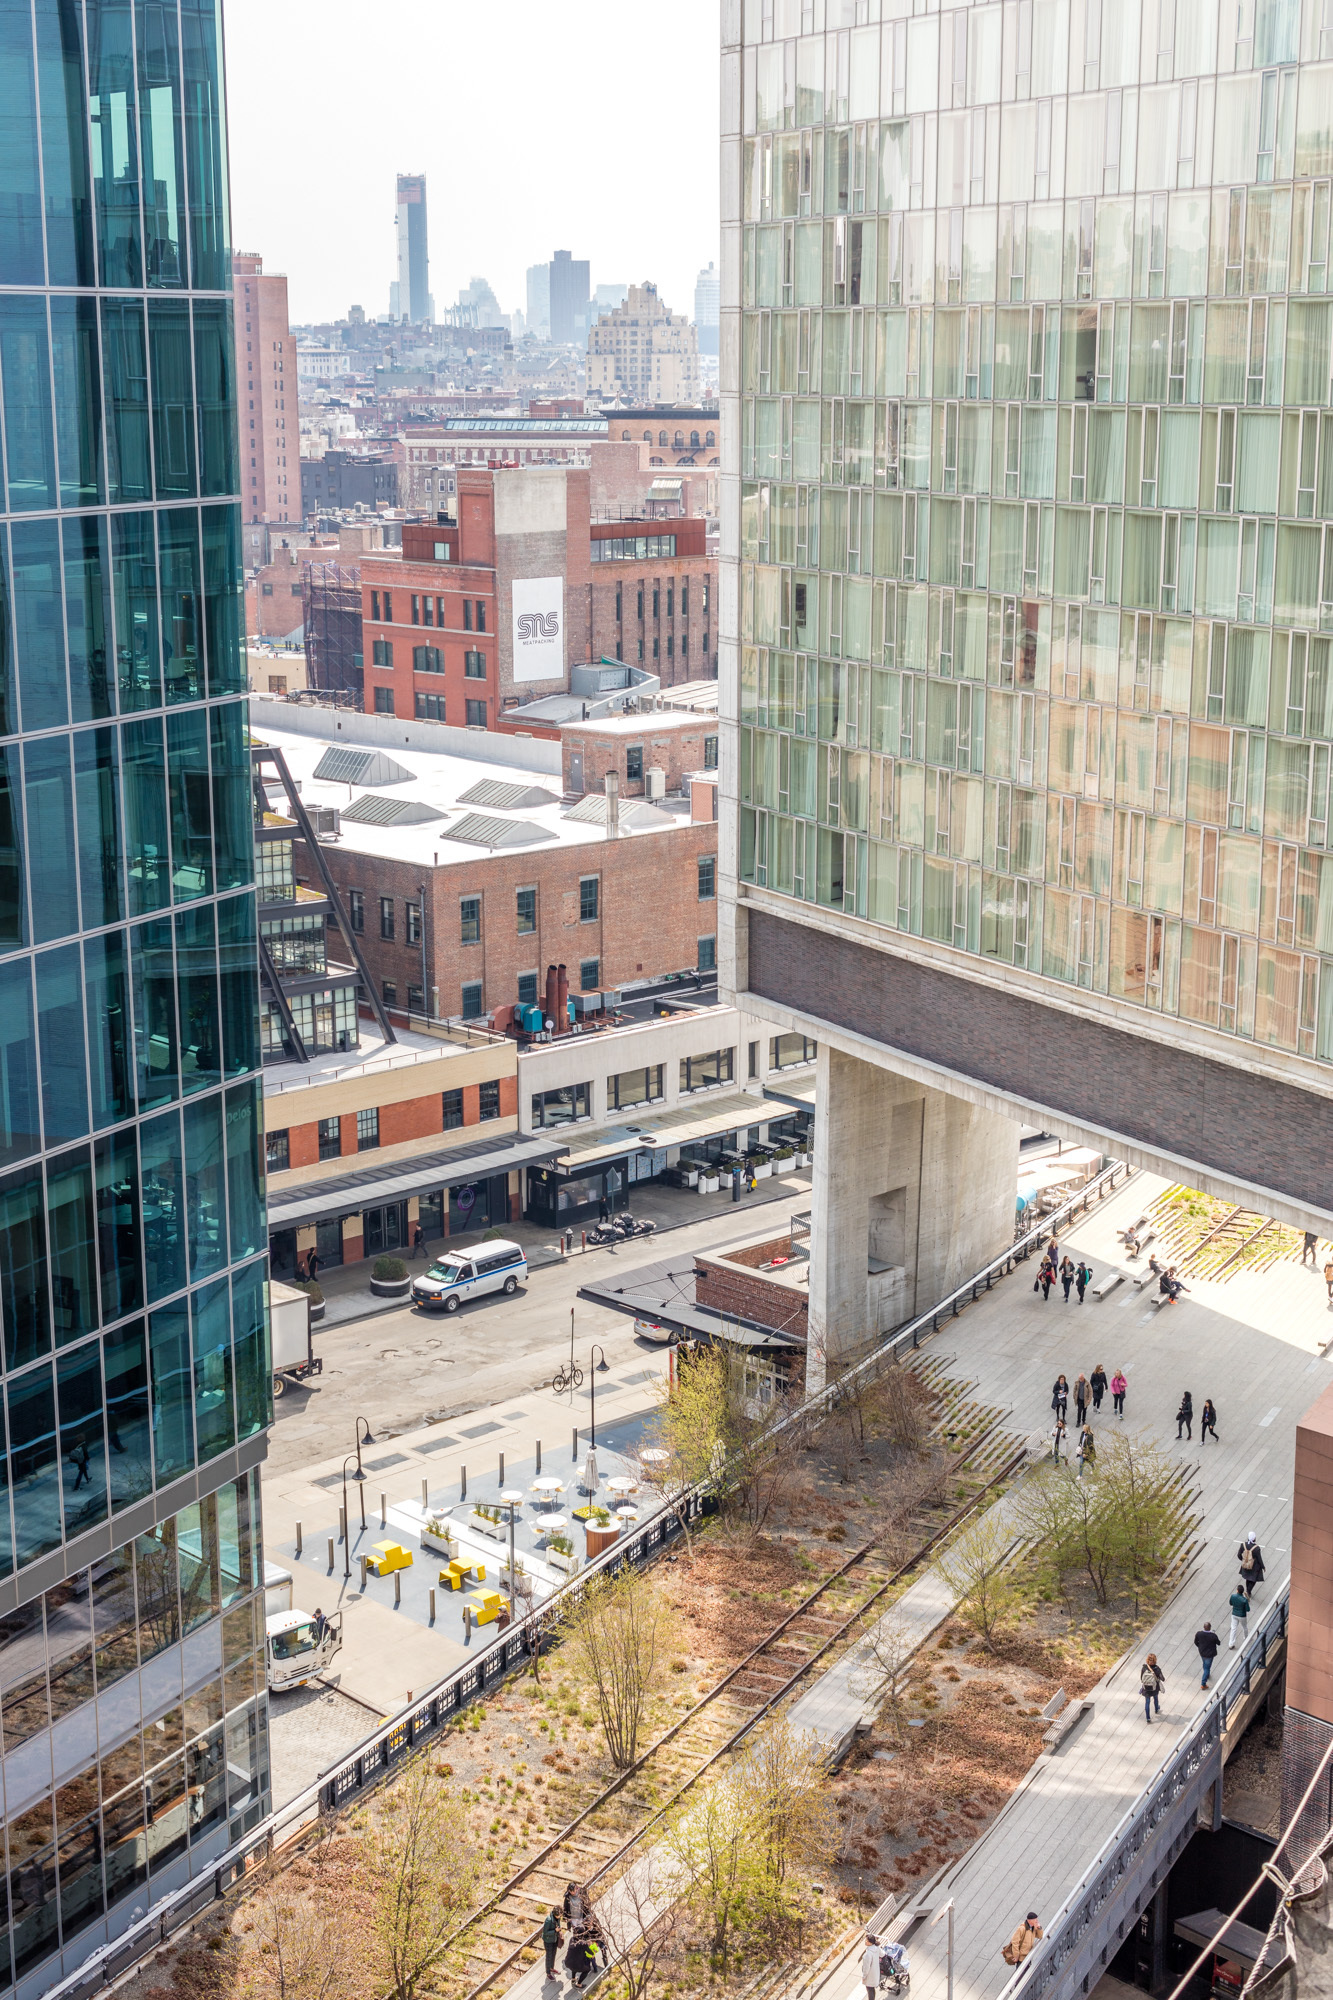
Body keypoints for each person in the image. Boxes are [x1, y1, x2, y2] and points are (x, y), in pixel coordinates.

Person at [1237, 1533, 1265, 1600]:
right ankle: (1248, 1591)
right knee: (1253, 1579)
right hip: (1254, 1566)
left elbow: (1238, 1555)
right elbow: (1259, 1558)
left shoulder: (1243, 1545)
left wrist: (1244, 1560)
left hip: (1246, 1565)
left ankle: (1248, 1591)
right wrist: (1263, 1566)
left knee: (1247, 1578)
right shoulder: (1256, 1548)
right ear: (1254, 1538)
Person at [1195, 1620, 1221, 1689]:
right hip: (1210, 1654)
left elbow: (1195, 1642)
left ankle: (1207, 1674)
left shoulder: (1199, 1634)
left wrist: (1200, 1647)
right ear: (1210, 1627)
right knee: (1207, 1668)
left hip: (1202, 1652)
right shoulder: (1213, 1635)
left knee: (1205, 1664)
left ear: (1203, 1627)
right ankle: (1203, 1684)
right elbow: (1218, 1643)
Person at [1140, 1653, 1165, 1722]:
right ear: (1155, 1660)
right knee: (1155, 1698)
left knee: (1147, 1702)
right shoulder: (1157, 1669)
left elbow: (1141, 1678)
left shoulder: (1144, 1667)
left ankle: (1148, 1717)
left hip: (1146, 1688)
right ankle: (1156, 1708)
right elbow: (1163, 1678)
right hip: (1154, 1688)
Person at [542, 1908, 563, 1981]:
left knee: (553, 1954)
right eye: (559, 1915)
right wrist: (555, 1931)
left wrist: (559, 1930)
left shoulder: (557, 1918)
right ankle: (548, 1973)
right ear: (555, 1915)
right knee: (549, 1956)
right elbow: (545, 1932)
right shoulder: (548, 1920)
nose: (560, 1917)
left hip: (554, 1939)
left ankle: (551, 1968)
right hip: (548, 1941)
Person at [1229, 1583, 1250, 1649]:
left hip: (1234, 1614)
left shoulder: (1233, 1596)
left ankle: (1231, 1643)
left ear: (1237, 1590)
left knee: (1233, 1628)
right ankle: (1246, 1638)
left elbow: (1230, 1603)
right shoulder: (1244, 1600)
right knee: (1244, 1627)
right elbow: (1248, 1609)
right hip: (1242, 1615)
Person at [861, 1934, 882, 2000]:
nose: (865, 1941)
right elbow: (883, 1954)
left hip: (870, 1976)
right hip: (875, 1973)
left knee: (870, 1990)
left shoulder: (868, 1954)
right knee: (872, 1990)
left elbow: (866, 1968)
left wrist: (864, 1976)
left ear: (870, 1942)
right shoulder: (877, 1948)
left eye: (866, 1940)